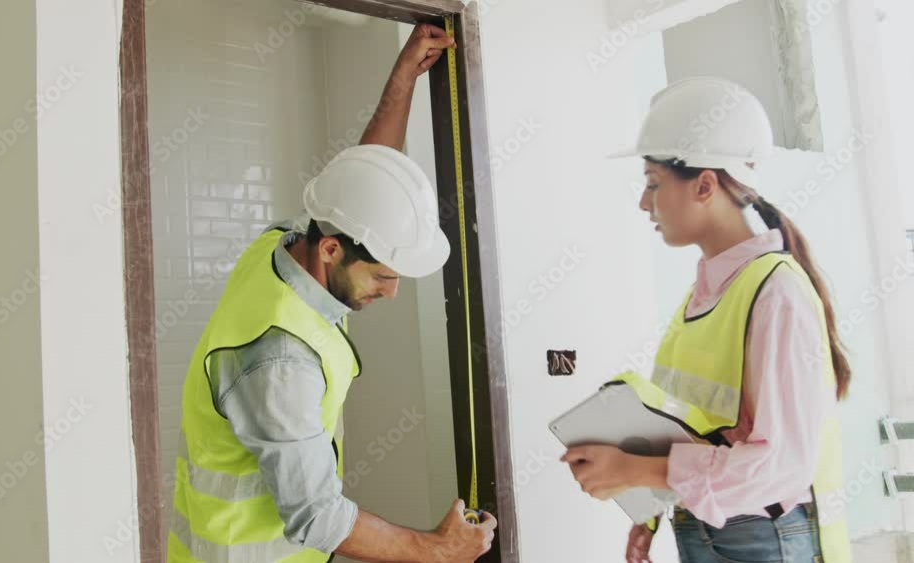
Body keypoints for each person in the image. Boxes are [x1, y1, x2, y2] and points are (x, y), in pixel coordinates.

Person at [167, 24, 497, 563]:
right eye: (382, 276)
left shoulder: (290, 243)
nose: (391, 293)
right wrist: (439, 550)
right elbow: (317, 515)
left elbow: (361, 184)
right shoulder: (279, 359)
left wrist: (402, 78)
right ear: (331, 253)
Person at [560, 77, 852, 563]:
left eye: (653, 183)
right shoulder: (703, 294)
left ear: (704, 185)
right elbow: (682, 421)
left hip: (766, 534)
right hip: (710, 526)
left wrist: (637, 471)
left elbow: (780, 465)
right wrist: (650, 511)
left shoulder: (776, 292)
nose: (643, 203)